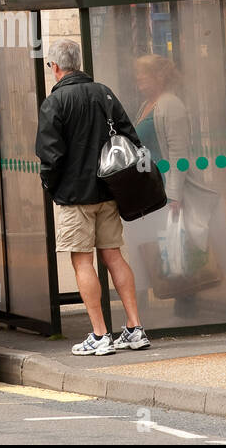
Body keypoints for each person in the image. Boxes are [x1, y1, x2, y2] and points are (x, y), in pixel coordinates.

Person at [36, 39, 149, 356]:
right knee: (113, 256)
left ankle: (101, 336)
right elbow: (130, 137)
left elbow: (50, 156)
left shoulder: (55, 103)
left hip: (75, 196)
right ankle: (135, 328)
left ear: (56, 67)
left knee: (82, 261)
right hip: (109, 191)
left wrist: (52, 187)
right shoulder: (104, 93)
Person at [133, 54, 221, 317]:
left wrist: (174, 195)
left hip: (167, 189)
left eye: (143, 75)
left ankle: (186, 303)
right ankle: (174, 297)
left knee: (179, 244)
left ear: (160, 77)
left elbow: (179, 154)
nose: (138, 80)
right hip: (152, 189)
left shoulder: (170, 105)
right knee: (168, 244)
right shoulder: (149, 104)